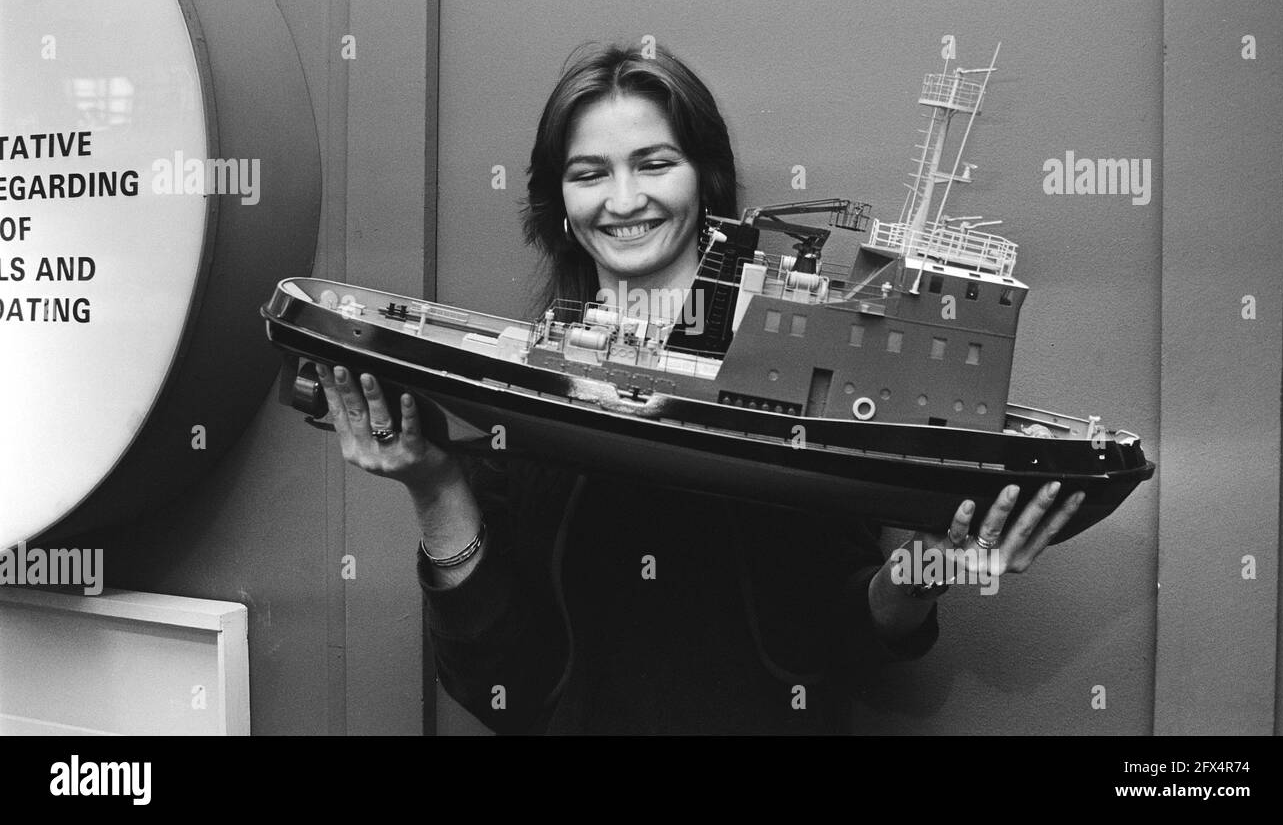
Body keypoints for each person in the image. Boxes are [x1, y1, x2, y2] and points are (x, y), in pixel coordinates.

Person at [313, 43, 1085, 734]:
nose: (623, 200)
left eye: (653, 163)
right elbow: (498, 688)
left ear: (703, 178)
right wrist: (437, 485)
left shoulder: (810, 367)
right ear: (562, 204)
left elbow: (844, 643)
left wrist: (929, 571)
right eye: (590, 173)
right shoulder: (524, 412)